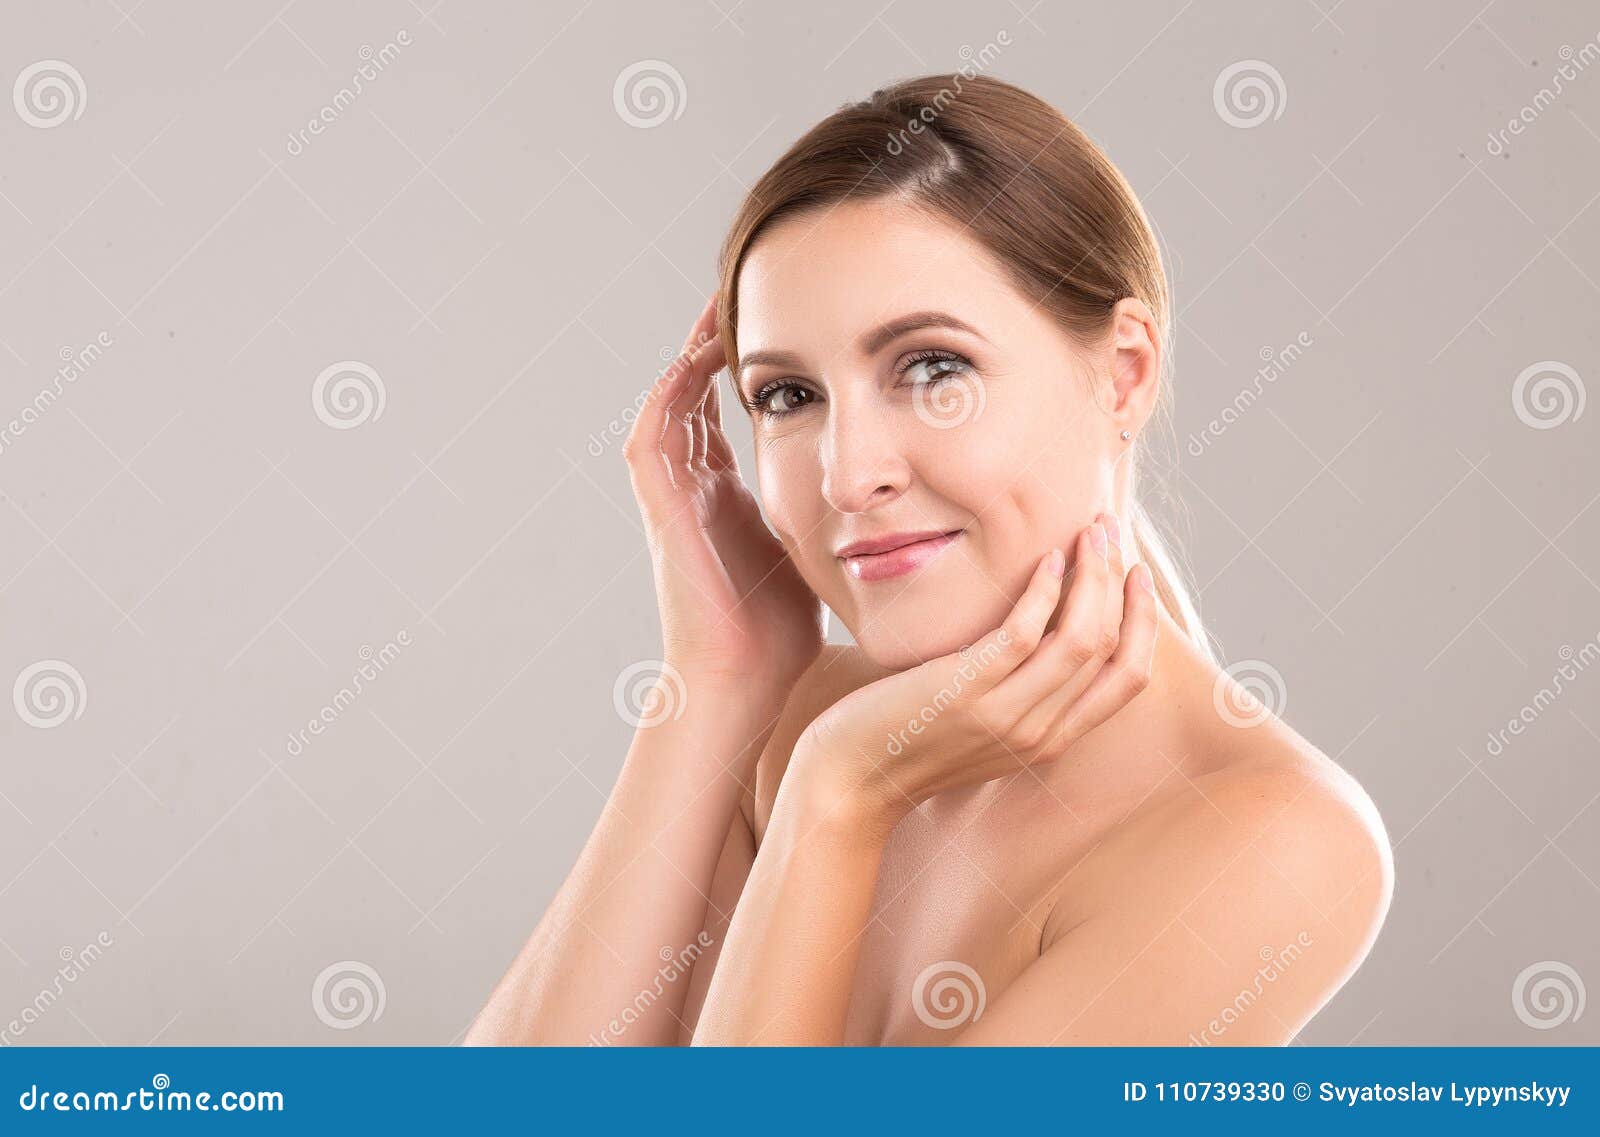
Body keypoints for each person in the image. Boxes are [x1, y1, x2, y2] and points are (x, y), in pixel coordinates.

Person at [466, 73, 1392, 1046]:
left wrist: (840, 800)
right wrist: (718, 679)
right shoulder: (794, 724)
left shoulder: (1274, 841)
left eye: (933, 369)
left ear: (1123, 374)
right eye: (787, 396)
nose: (847, 475)